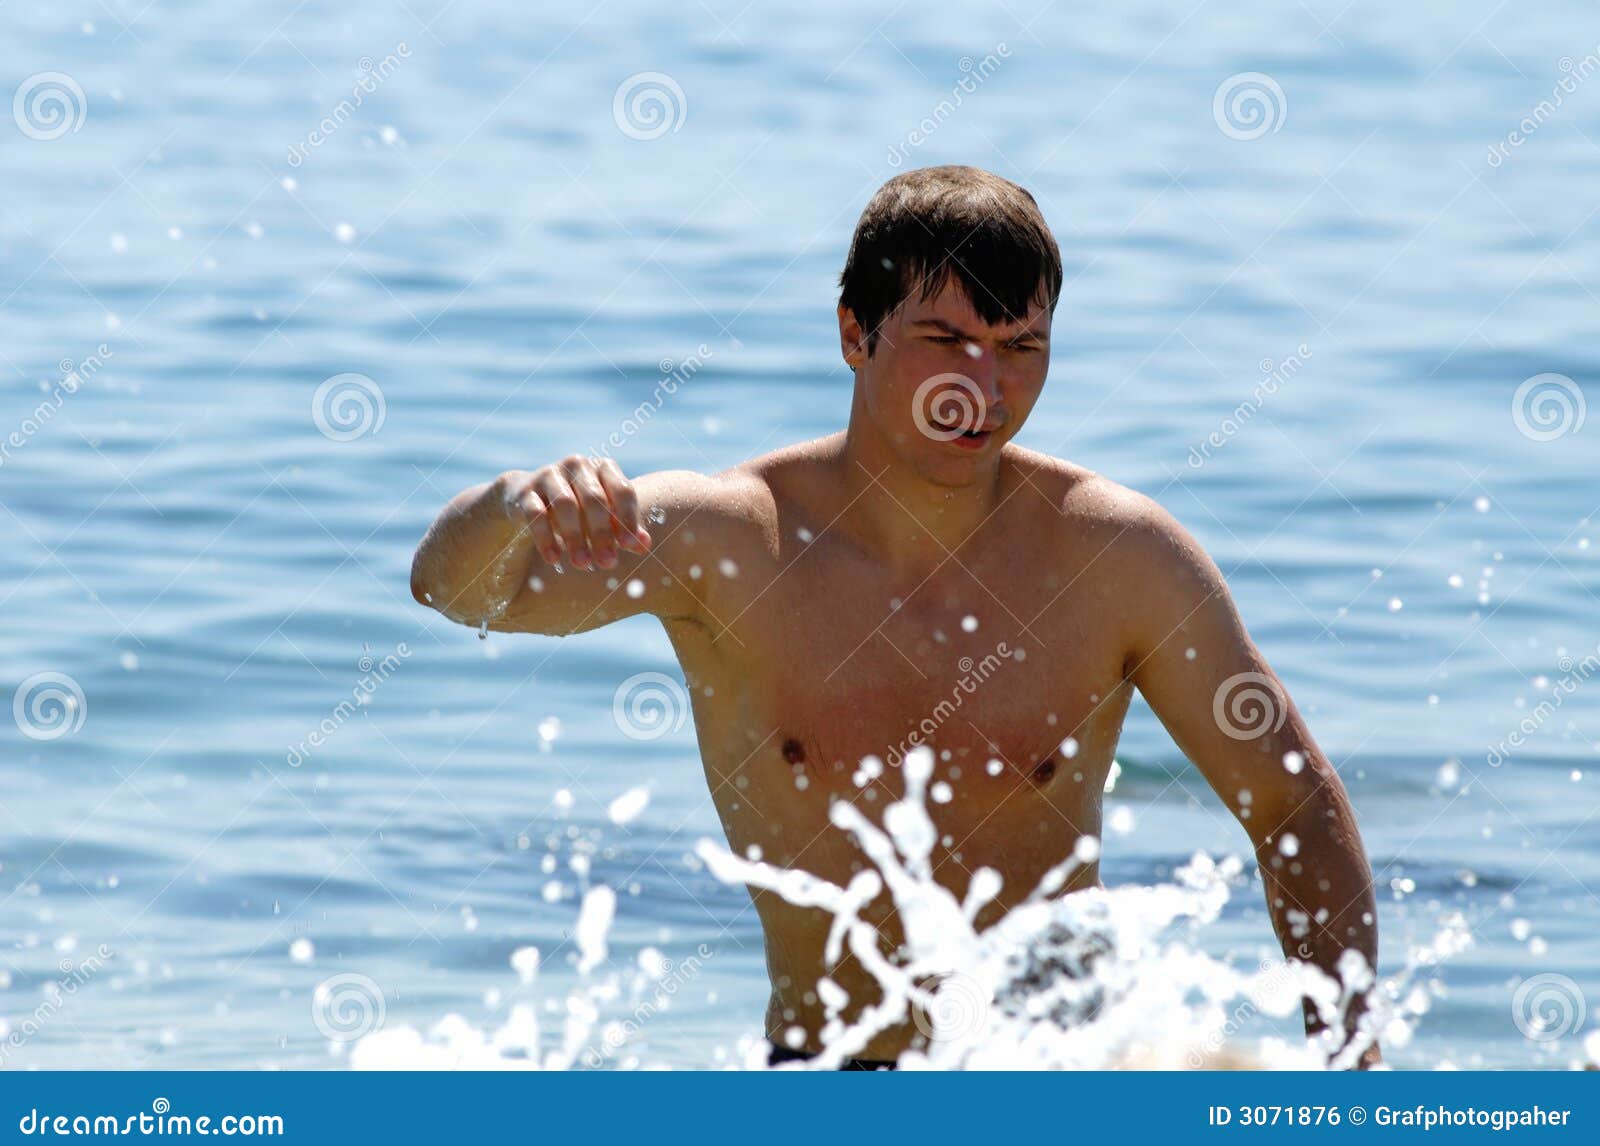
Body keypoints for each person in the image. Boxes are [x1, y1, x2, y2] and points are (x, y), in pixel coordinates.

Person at [410, 164, 1381, 1069]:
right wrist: (512, 506)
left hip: (1060, 1083)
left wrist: (1348, 1079)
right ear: (852, 333)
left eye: (1018, 349)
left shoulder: (1120, 558)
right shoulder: (731, 542)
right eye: (944, 342)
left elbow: (1291, 804)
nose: (982, 388)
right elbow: (453, 592)